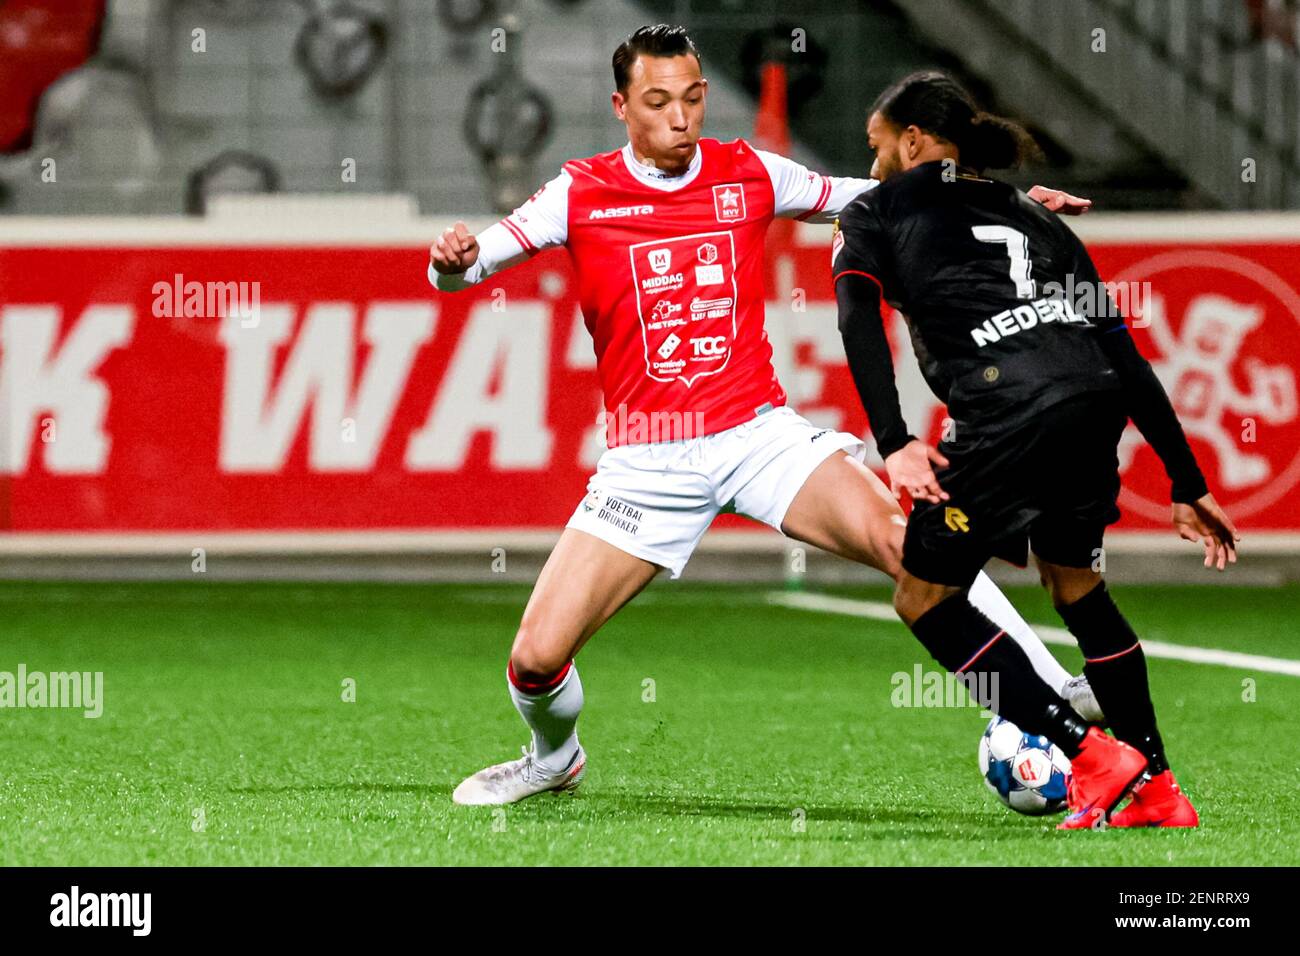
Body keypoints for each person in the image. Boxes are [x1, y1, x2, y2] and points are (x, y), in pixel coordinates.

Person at [431, 26, 1097, 806]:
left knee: (907, 539)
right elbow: (475, 261)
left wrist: (1003, 205)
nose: (679, 118)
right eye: (656, 103)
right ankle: (553, 756)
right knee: (537, 659)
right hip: (648, 461)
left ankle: (1056, 699)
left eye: (691, 99)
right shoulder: (581, 192)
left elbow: (876, 197)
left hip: (757, 436)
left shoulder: (746, 171)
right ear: (621, 107)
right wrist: (450, 262)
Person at [833, 70, 1240, 829]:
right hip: (1092, 400)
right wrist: (1188, 479)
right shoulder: (1038, 218)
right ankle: (1158, 786)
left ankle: (1090, 758)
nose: (873, 163)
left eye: (878, 146)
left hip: (1007, 408)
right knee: (1077, 587)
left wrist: (894, 442)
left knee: (923, 597)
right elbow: (1124, 355)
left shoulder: (873, 212)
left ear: (913, 141)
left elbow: (858, 323)